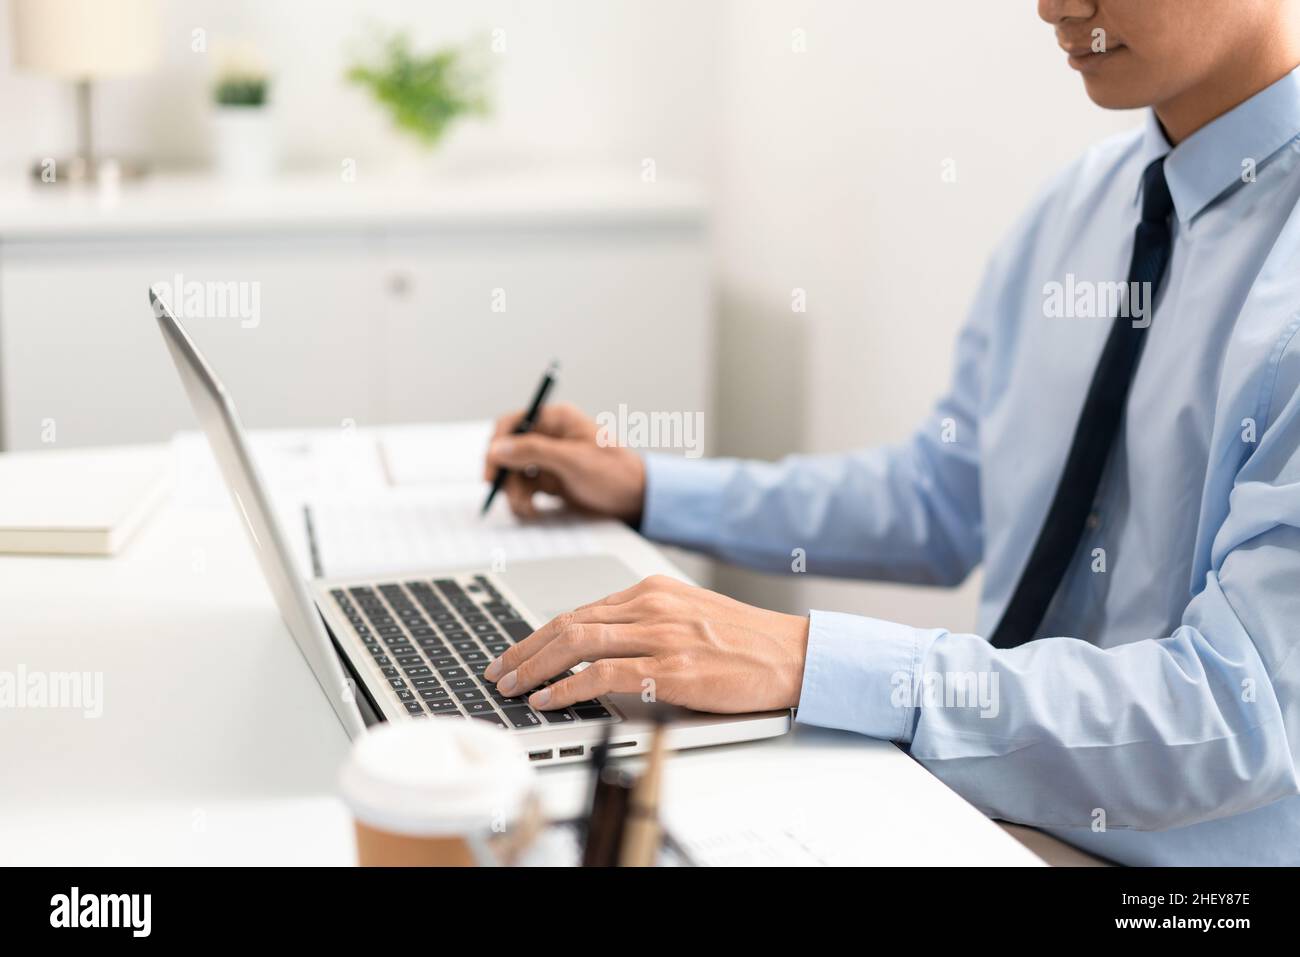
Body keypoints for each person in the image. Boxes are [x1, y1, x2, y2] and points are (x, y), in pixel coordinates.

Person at [480, 0, 1300, 866]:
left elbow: (1244, 711)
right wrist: (647, 487)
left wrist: (814, 659)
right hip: (957, 807)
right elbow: (939, 499)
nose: (1058, 6)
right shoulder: (1075, 209)